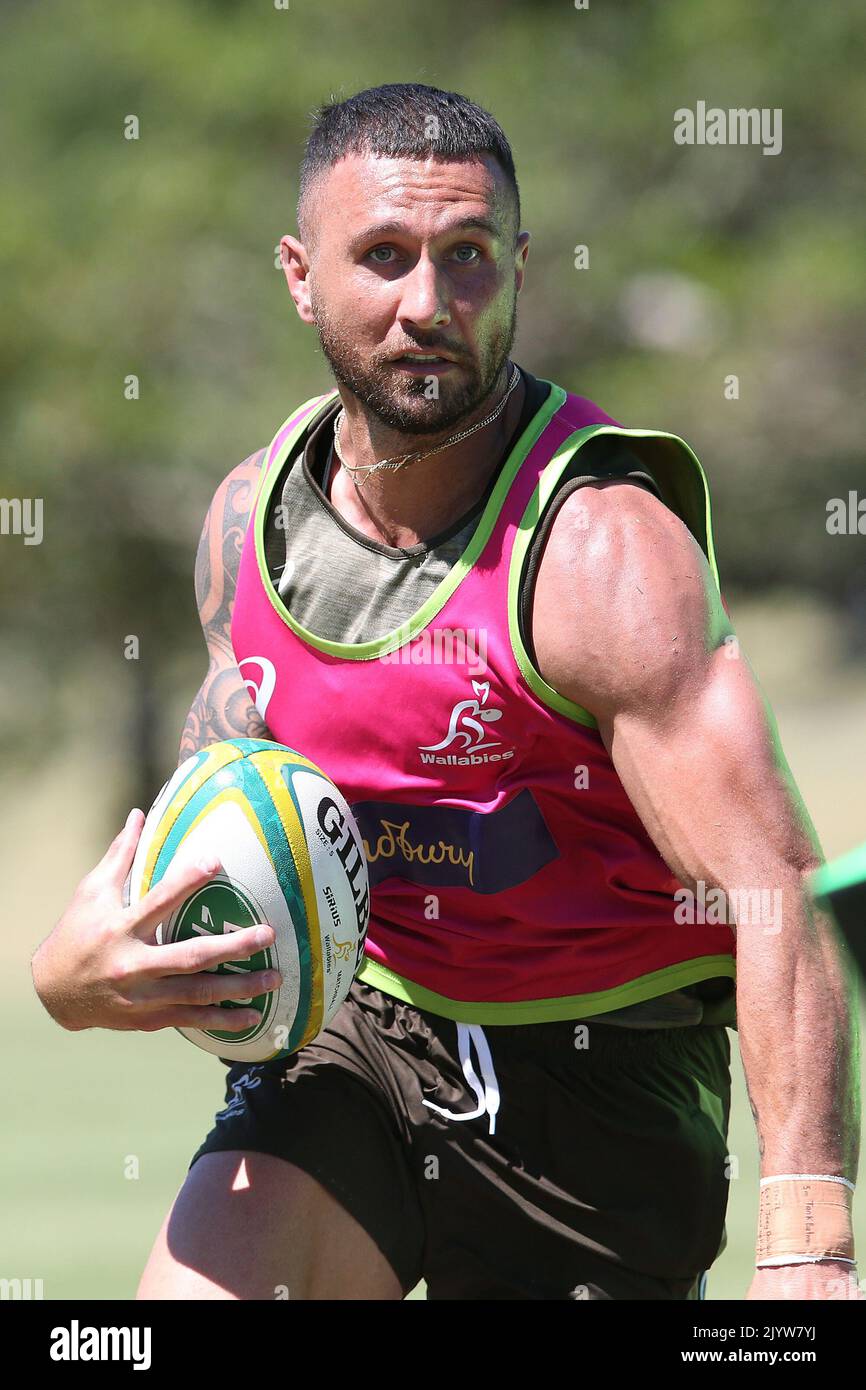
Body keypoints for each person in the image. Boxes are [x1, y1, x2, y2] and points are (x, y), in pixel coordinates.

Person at [32, 83, 860, 1301]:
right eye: (381, 256)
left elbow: (773, 895)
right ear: (300, 276)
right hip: (364, 1040)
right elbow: (219, 827)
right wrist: (71, 976)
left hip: (600, 1080)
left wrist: (809, 1242)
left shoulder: (598, 552)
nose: (427, 303)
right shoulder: (243, 527)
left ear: (517, 270)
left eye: (465, 257)